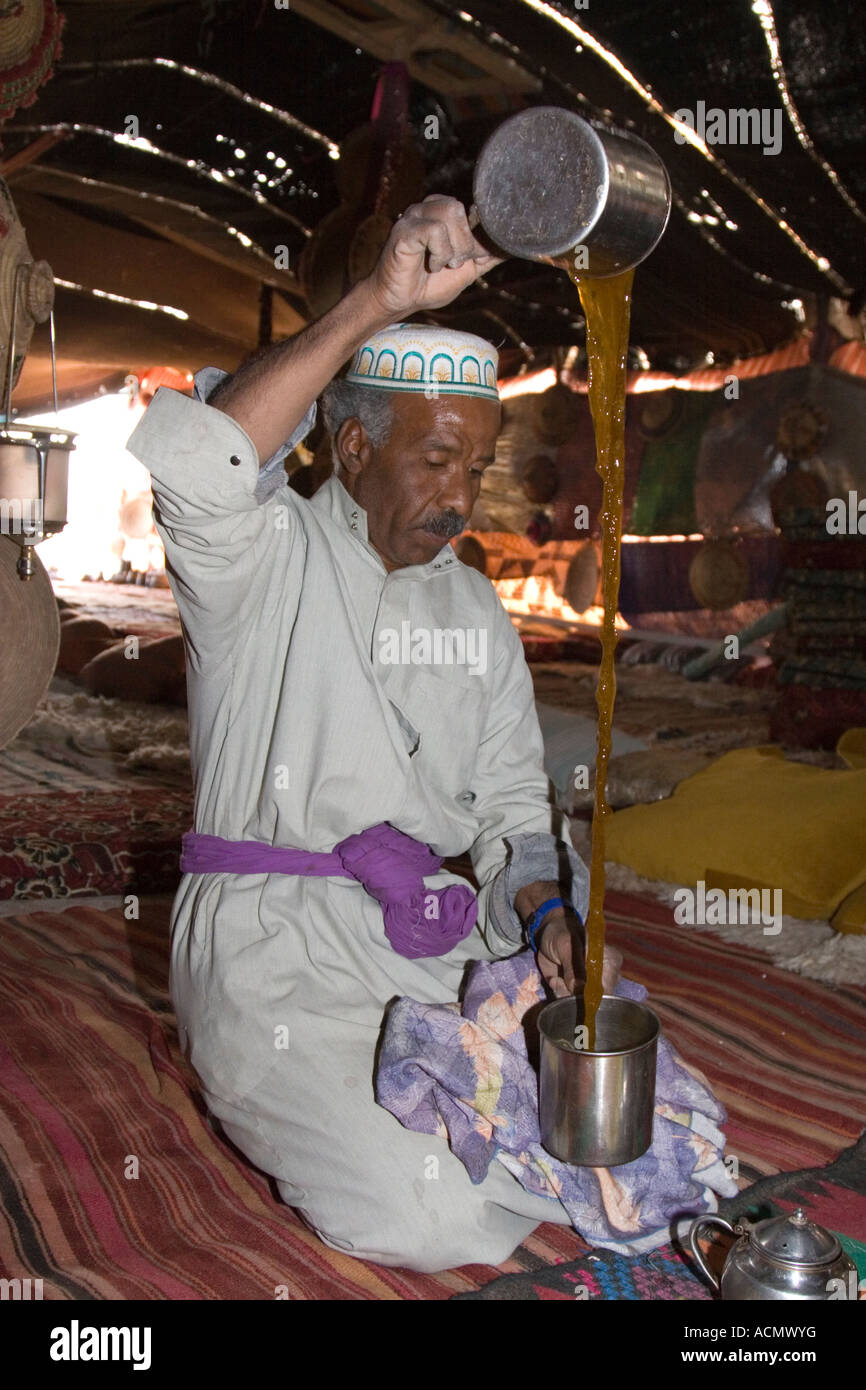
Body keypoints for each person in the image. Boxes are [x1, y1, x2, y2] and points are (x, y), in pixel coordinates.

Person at [126, 194, 619, 1273]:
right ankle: (266, 1087)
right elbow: (205, 459)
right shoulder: (262, 562)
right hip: (271, 955)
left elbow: (509, 815)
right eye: (436, 460)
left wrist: (544, 914)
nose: (461, 495)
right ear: (350, 446)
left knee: (617, 1118)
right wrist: (375, 302)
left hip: (423, 938)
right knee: (426, 1213)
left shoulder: (475, 611)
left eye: (476, 467)